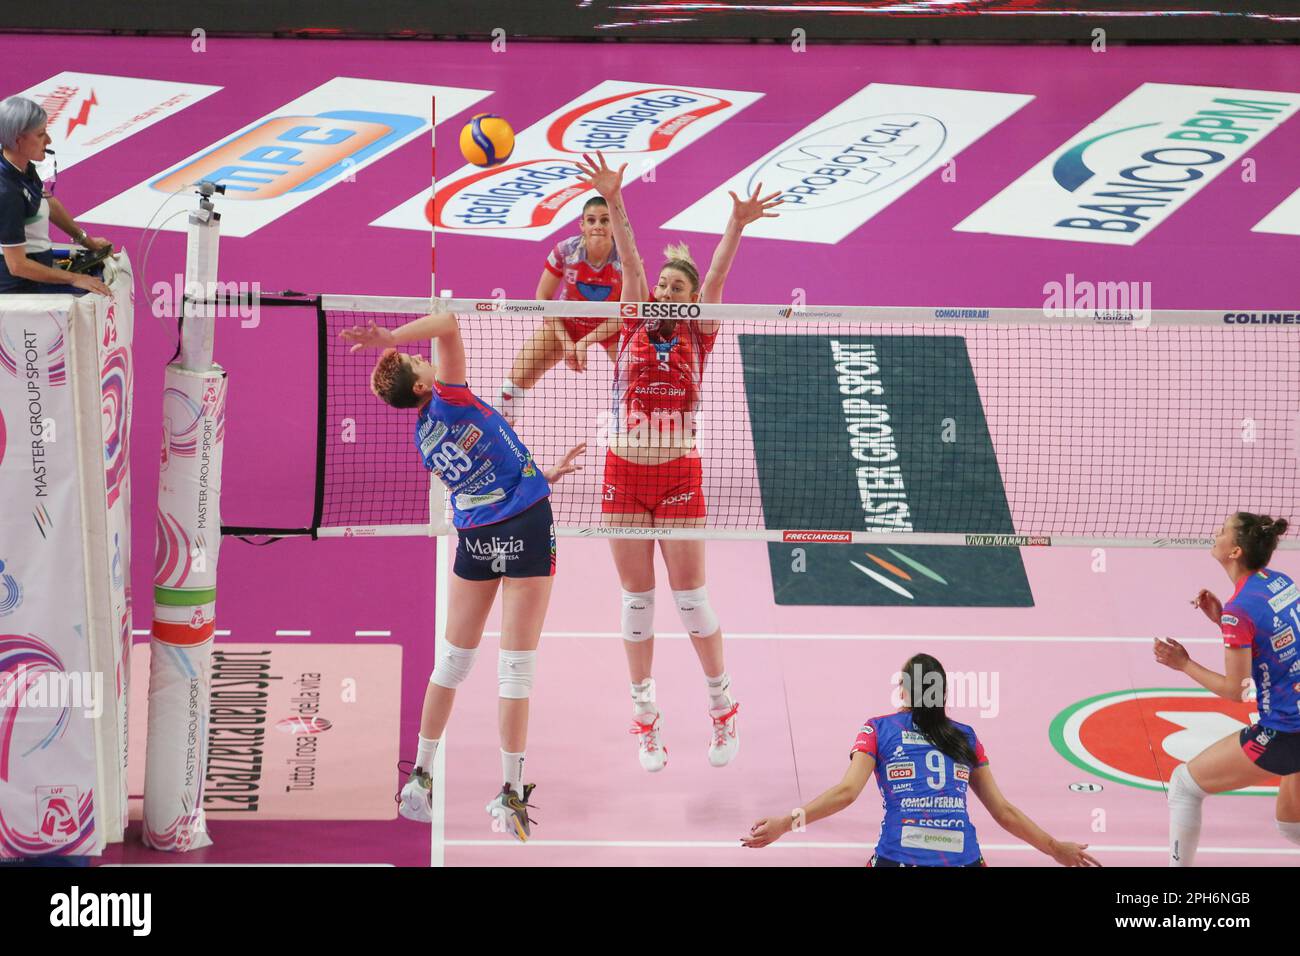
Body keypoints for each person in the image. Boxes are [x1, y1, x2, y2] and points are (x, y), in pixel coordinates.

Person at [340, 311, 584, 841]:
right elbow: (449, 323)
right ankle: (511, 793)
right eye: (414, 358)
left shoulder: (424, 436)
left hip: (477, 538)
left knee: (453, 661)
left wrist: (541, 474)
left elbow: (489, 464)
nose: (421, 353)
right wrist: (389, 338)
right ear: (425, 384)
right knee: (515, 667)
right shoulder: (451, 397)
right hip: (525, 526)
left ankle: (420, 778)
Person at [573, 151, 780, 772]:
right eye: (664, 284)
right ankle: (645, 720)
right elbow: (632, 261)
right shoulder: (633, 314)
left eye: (677, 287)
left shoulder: (700, 331)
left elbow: (716, 275)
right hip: (623, 475)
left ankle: (722, 709)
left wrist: (737, 224)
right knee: (637, 602)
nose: (665, 290)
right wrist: (615, 200)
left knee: (692, 602)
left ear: (692, 300)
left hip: (680, 476)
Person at [742, 653, 1101, 867]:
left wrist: (784, 824)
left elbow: (846, 793)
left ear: (903, 690)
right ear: (943, 693)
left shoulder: (878, 729)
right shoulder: (965, 737)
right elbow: (1003, 813)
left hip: (899, 859)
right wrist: (1056, 849)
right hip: (963, 860)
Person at [1155, 512, 1299, 867]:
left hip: (1286, 732)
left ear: (1235, 551)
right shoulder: (1281, 583)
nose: (1214, 534)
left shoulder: (1239, 610)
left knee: (1184, 785)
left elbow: (1237, 690)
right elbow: (1275, 639)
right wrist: (1222, 620)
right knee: (1291, 825)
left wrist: (1183, 663)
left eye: (1221, 531)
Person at [498, 196, 622, 426]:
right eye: (591, 220)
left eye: (605, 220)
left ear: (614, 224)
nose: (598, 226)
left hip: (610, 326)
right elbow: (543, 298)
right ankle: (501, 439)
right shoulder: (565, 251)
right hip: (568, 322)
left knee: (636, 379)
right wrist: (567, 342)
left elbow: (626, 315)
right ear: (582, 225)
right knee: (512, 384)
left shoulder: (626, 260)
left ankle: (634, 437)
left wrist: (584, 343)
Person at [0, 96, 111, 296]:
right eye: (41, 134)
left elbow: (46, 200)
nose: (49, 140)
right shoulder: (7, 193)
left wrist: (86, 241)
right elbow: (17, 265)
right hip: (19, 291)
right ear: (18, 140)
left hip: (36, 270)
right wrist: (75, 278)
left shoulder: (19, 165)